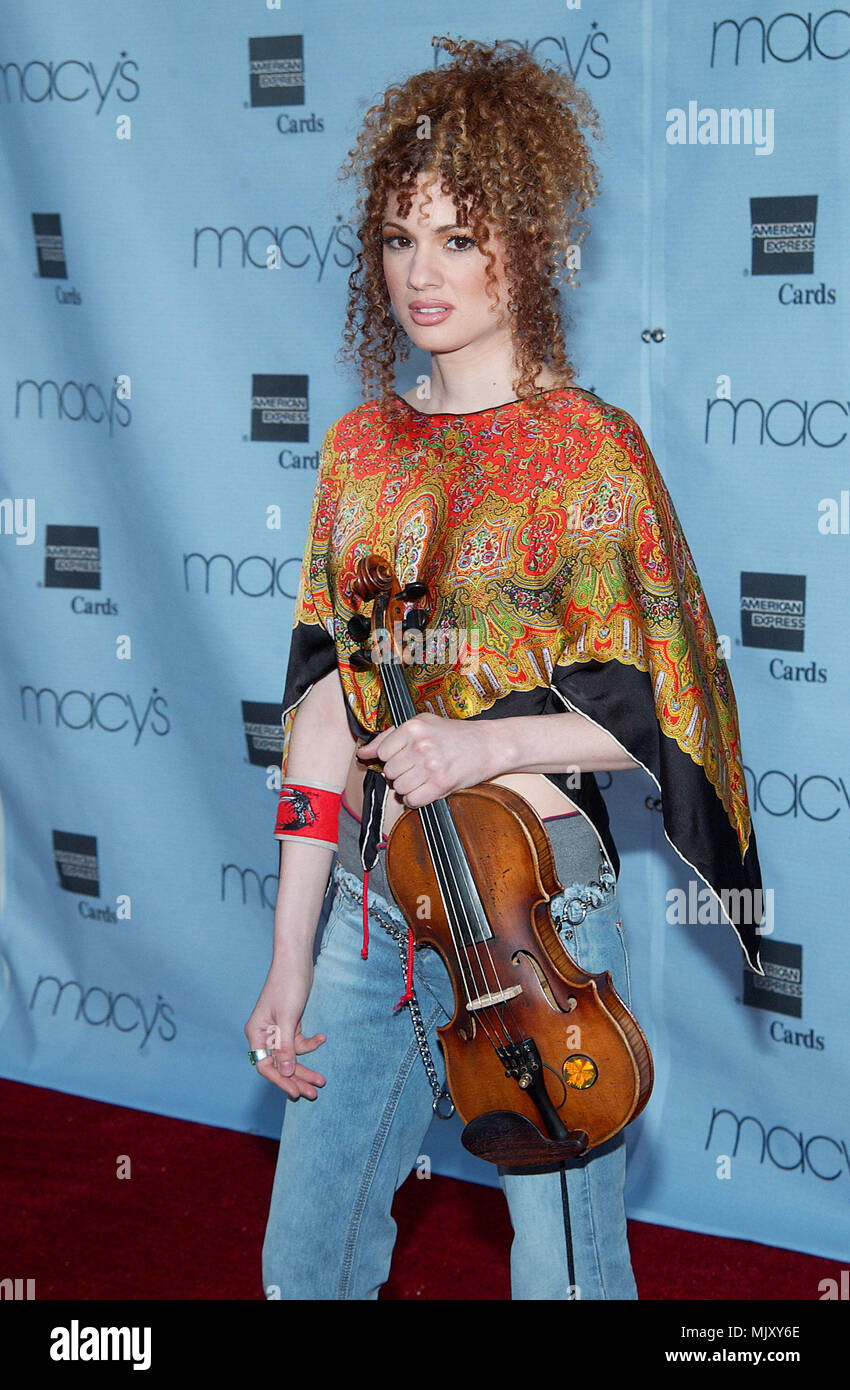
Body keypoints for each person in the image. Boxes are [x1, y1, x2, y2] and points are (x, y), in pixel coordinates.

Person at [246, 35, 764, 1301]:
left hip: (543, 910)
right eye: (396, 238)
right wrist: (288, 955)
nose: (421, 273)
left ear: (523, 245)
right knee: (301, 1262)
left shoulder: (589, 451)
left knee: (564, 1271)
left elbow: (674, 709)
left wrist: (492, 742)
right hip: (378, 907)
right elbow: (326, 707)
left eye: (458, 238)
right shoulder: (360, 450)